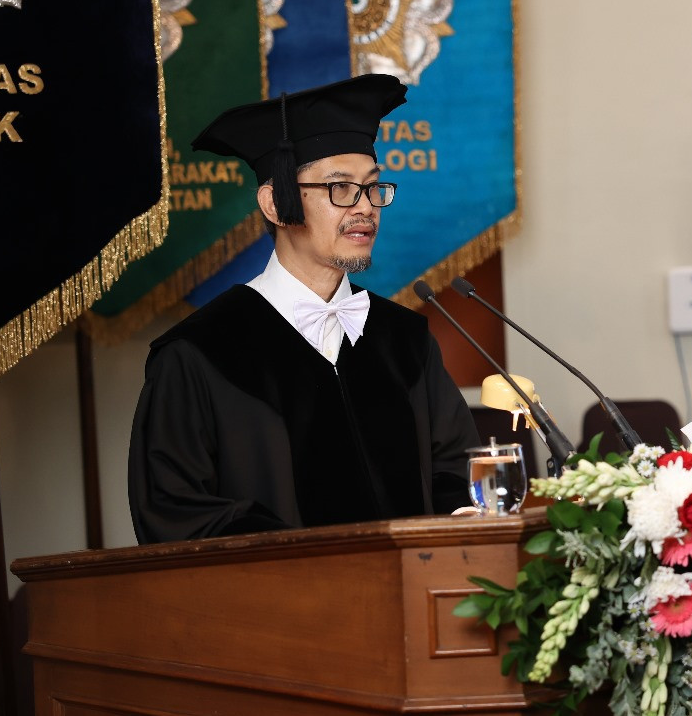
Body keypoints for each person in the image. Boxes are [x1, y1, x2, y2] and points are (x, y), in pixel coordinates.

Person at [128, 74, 477, 544]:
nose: (365, 208)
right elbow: (174, 511)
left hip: (413, 604)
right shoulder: (198, 355)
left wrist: (462, 515)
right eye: (339, 188)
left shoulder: (405, 341)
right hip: (280, 612)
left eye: (373, 188)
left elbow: (458, 469)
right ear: (275, 203)